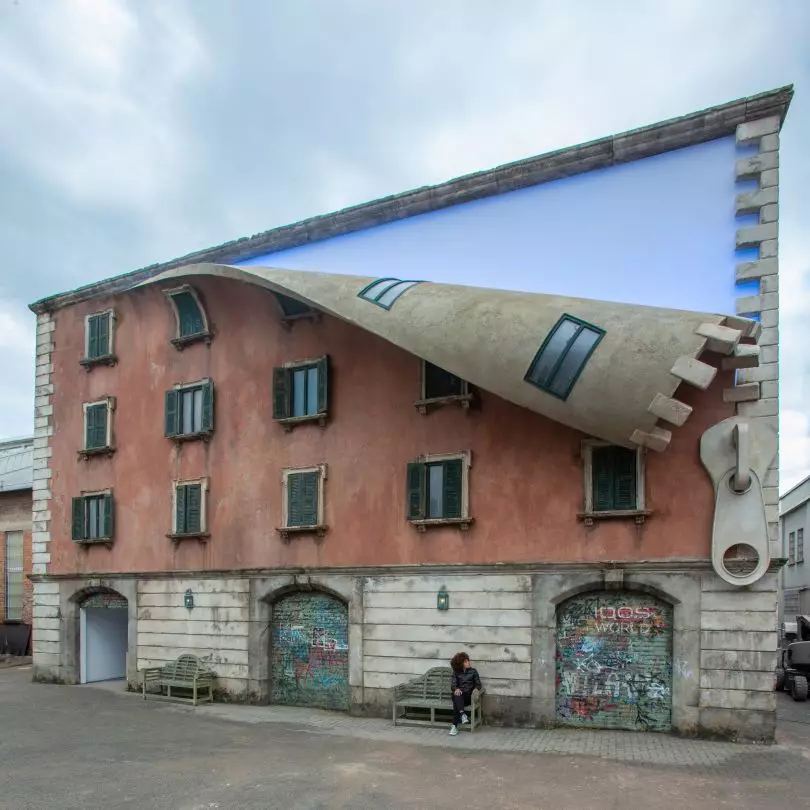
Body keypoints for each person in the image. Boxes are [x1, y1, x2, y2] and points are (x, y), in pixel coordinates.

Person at [449, 651, 482, 736]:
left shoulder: (473, 671)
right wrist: (456, 689)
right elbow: (453, 685)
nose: (468, 662)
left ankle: (454, 725)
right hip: (459, 696)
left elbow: (478, 684)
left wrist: (476, 689)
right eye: (466, 661)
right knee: (457, 694)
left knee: (456, 702)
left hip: (469, 697)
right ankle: (462, 715)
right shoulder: (456, 673)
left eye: (468, 660)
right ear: (461, 664)